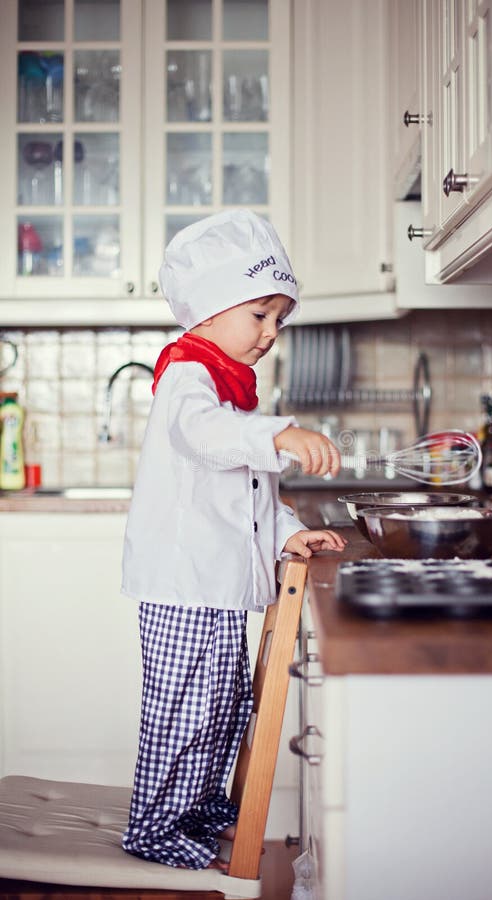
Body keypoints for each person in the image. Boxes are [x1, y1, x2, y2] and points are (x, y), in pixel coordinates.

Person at [121, 208, 346, 871]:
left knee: (221, 706)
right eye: (260, 314)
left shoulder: (231, 388)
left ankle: (198, 806)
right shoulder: (189, 377)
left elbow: (251, 496)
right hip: (184, 584)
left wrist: (293, 536)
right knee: (184, 712)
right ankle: (155, 826)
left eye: (281, 317)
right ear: (212, 309)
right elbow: (205, 438)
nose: (272, 332)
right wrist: (276, 434)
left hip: (215, 586)